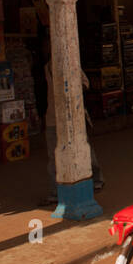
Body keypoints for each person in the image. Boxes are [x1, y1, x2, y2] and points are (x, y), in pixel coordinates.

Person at [41, 47, 105, 206]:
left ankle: (96, 178)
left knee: (84, 149)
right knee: (53, 155)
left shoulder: (71, 64)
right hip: (52, 117)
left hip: (73, 116)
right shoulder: (47, 67)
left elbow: (85, 83)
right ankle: (56, 190)